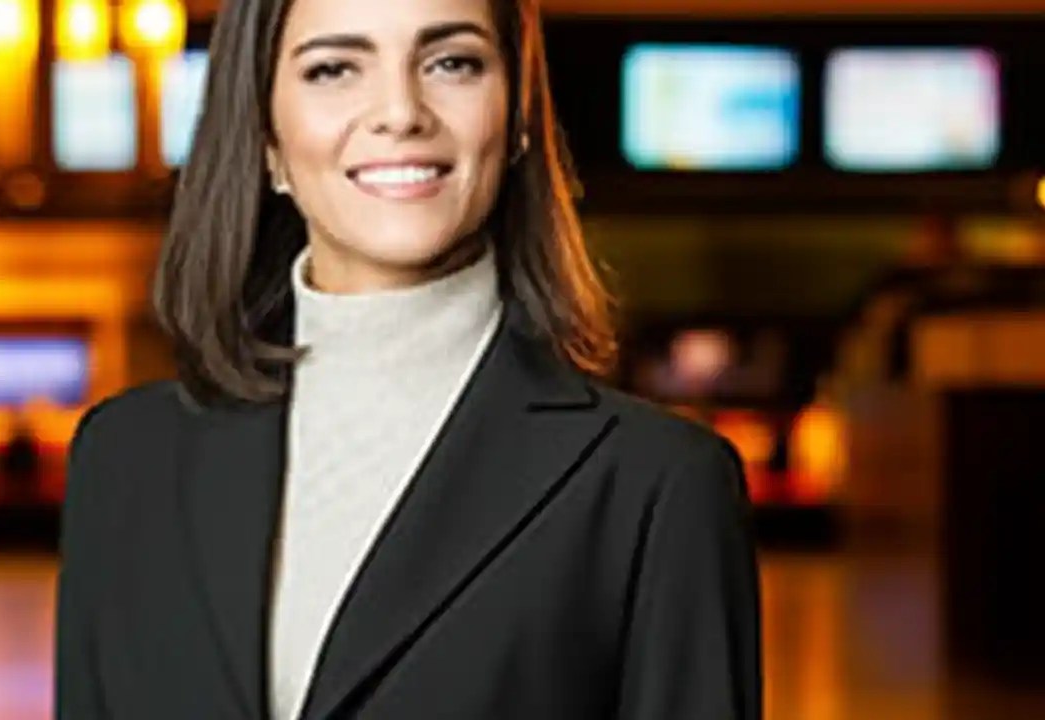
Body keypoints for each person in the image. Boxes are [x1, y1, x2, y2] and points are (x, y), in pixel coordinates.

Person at [54, 0, 762, 717]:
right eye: (333, 69)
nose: (400, 111)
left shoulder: (658, 486)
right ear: (266, 136)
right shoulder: (123, 461)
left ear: (517, 118)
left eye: (451, 63)